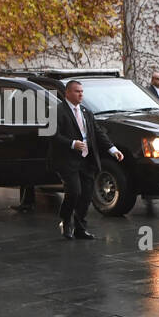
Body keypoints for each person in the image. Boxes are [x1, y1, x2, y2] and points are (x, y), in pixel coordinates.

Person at [51, 80, 124, 240]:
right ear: (68, 93)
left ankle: (80, 228)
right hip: (68, 160)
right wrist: (72, 144)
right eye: (77, 91)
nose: (81, 94)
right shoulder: (57, 111)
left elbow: (98, 133)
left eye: (82, 91)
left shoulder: (86, 112)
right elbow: (53, 136)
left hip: (87, 159)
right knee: (74, 192)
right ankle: (66, 220)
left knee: (86, 194)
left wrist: (113, 149)